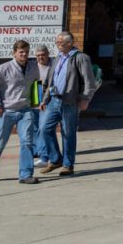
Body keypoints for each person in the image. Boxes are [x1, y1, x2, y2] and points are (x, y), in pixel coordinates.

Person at [0, 40, 41, 184]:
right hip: (6, 111)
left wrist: (36, 103)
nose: (24, 54)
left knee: (27, 142)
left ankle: (25, 175)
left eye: (26, 51)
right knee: (0, 143)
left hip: (25, 111)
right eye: (21, 52)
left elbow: (37, 84)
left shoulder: (33, 67)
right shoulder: (3, 68)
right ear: (14, 53)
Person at [38, 31, 96, 177]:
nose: (57, 45)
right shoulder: (58, 57)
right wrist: (45, 99)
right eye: (57, 42)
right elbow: (51, 80)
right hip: (54, 100)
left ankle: (68, 165)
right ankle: (55, 159)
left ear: (70, 43)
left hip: (69, 102)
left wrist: (85, 98)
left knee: (68, 134)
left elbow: (90, 81)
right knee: (45, 129)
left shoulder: (80, 58)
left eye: (60, 42)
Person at [31, 44, 55, 167]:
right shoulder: (33, 65)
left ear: (48, 54)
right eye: (38, 55)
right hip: (35, 92)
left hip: (47, 97)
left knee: (42, 127)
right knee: (35, 126)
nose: (41, 57)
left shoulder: (54, 65)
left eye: (43, 55)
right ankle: (36, 151)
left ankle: (43, 155)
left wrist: (46, 100)